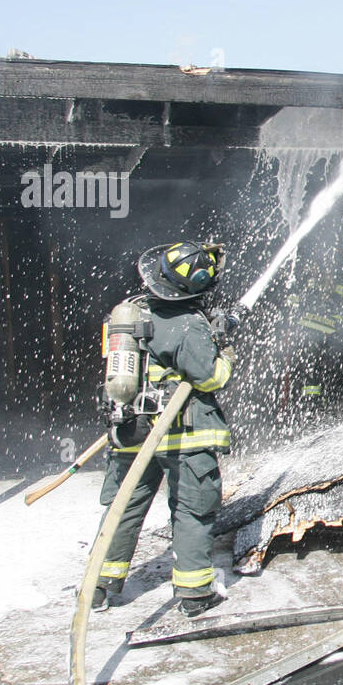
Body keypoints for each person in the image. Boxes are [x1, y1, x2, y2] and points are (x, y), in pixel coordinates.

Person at [94, 241, 237, 618]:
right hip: (182, 435)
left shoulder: (131, 314)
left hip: (132, 430)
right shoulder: (188, 324)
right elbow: (210, 377)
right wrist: (225, 350)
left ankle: (100, 585)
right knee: (192, 510)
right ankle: (195, 593)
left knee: (122, 510)